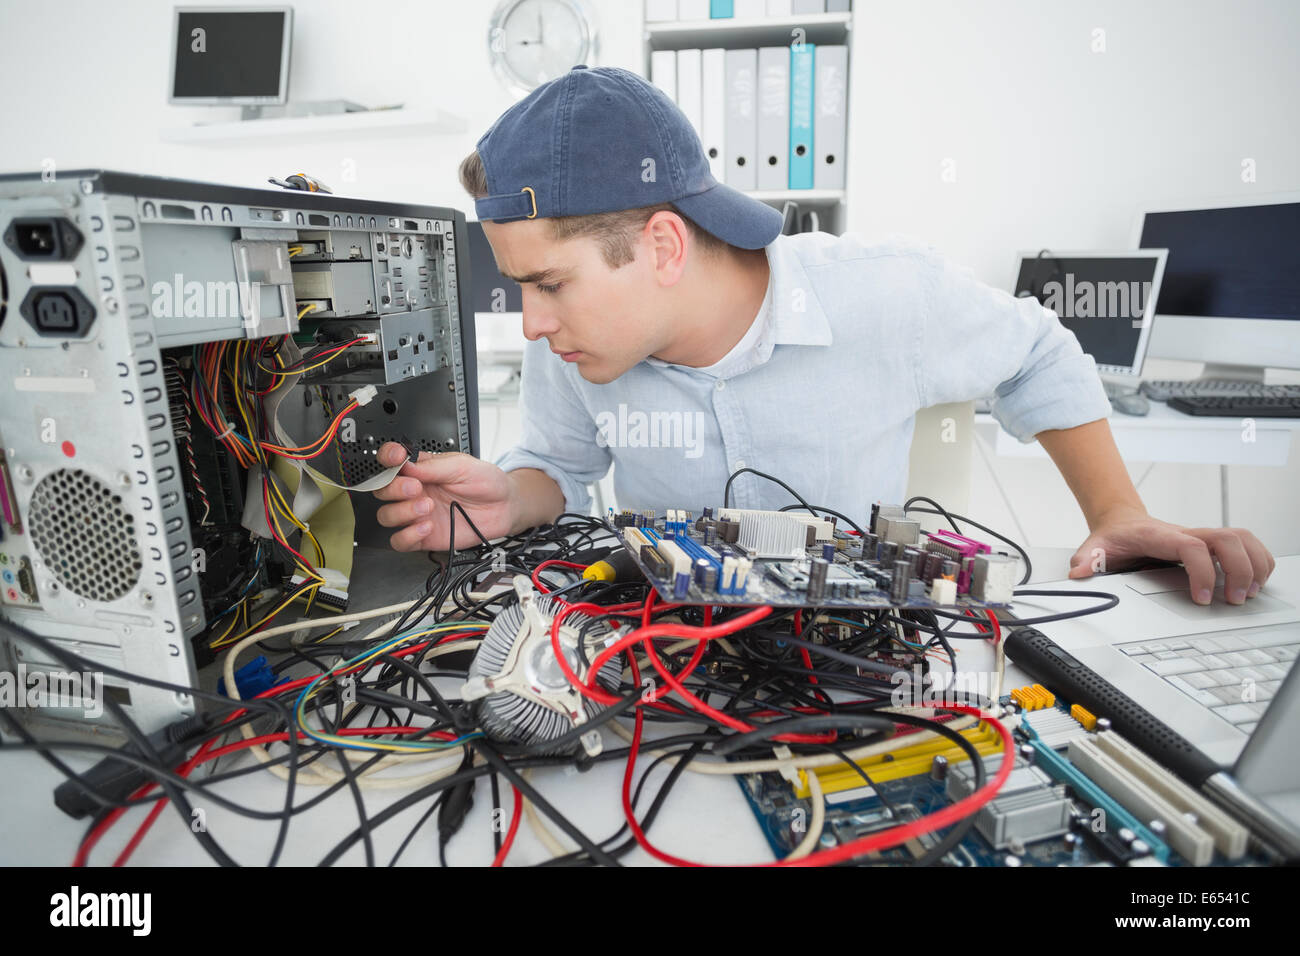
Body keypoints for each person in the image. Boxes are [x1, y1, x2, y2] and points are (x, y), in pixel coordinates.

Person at [372, 66, 1274, 606]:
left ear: (661, 244)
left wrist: (1117, 515)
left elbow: (1040, 351)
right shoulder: (568, 346)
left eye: (548, 283)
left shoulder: (885, 295)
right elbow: (559, 474)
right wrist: (509, 497)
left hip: (857, 663)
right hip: (663, 662)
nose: (531, 321)